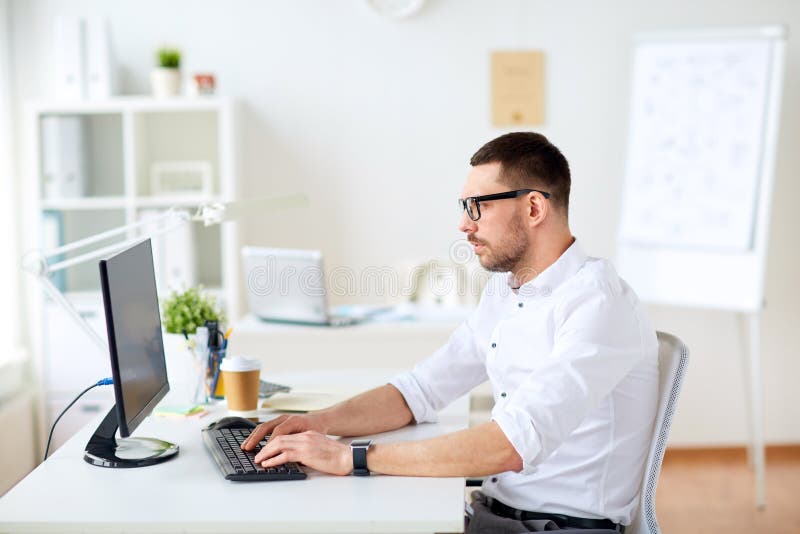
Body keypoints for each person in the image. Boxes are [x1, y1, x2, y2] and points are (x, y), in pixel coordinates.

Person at [241, 132, 658, 533]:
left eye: (477, 206)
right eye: (463, 205)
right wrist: (318, 422)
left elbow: (509, 446)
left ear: (533, 209)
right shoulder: (506, 290)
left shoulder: (598, 305)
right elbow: (419, 389)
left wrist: (351, 456)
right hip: (495, 514)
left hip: (556, 527)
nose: (463, 224)